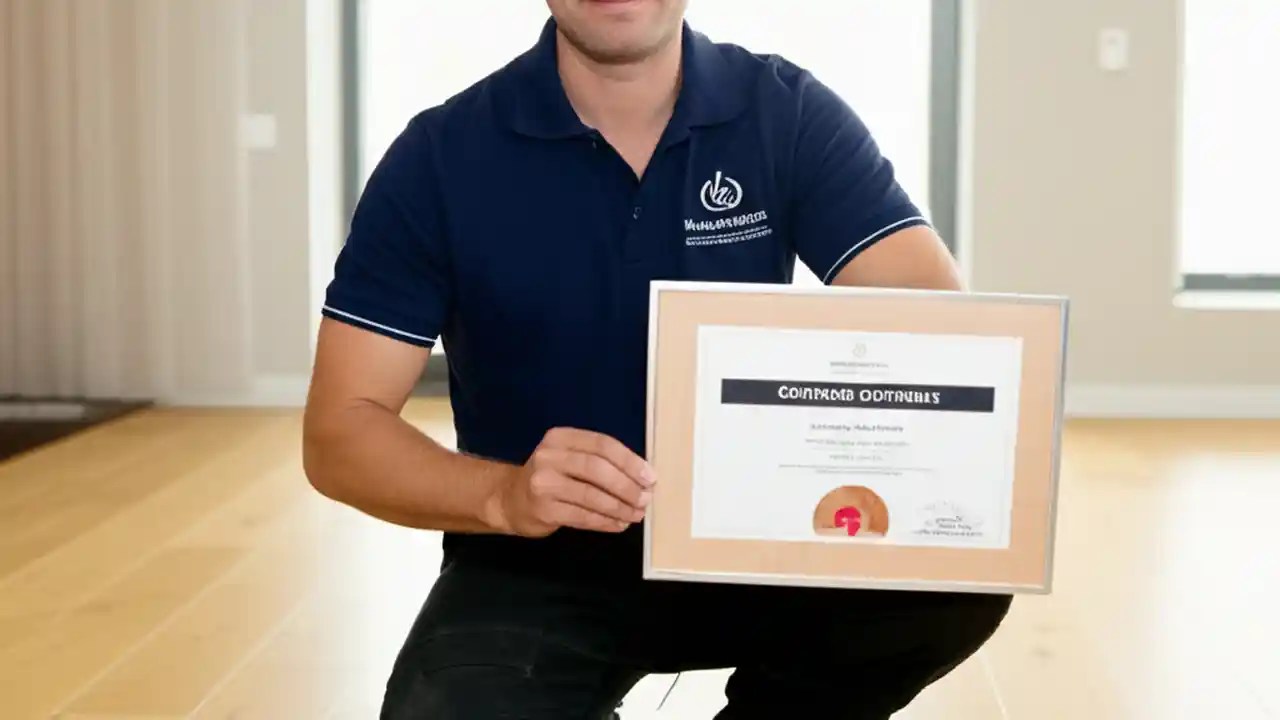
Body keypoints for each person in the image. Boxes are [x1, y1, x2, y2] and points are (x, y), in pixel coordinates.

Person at [303, 1, 1011, 717]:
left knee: (955, 571)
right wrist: (507, 496)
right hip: (538, 556)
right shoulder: (440, 156)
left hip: (761, 532)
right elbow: (340, 434)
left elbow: (939, 340)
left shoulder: (784, 113)